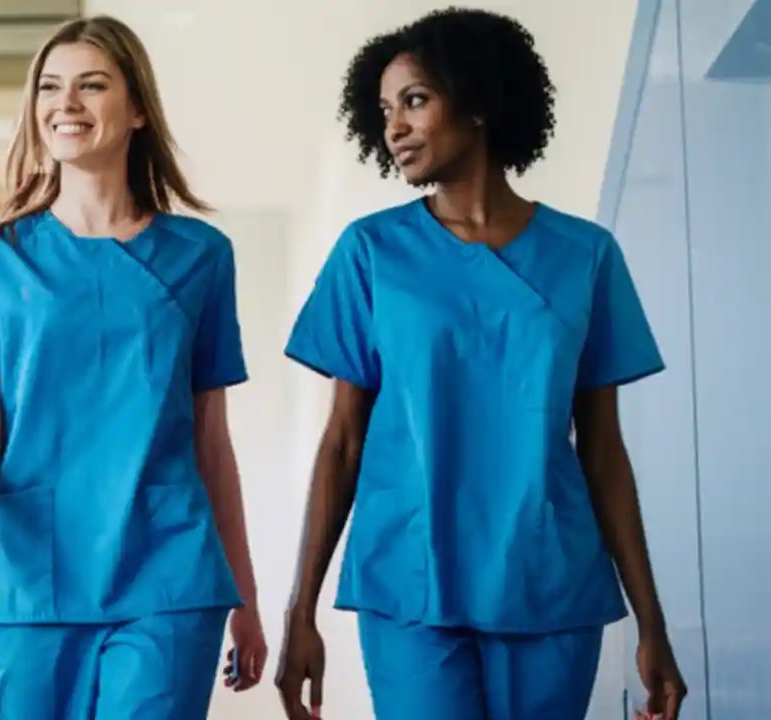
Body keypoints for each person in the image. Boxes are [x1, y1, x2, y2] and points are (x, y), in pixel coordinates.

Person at [274, 8, 687, 720]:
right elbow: (343, 442)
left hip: (546, 573)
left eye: (415, 100)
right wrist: (299, 611)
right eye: (383, 110)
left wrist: (652, 622)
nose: (393, 126)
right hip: (408, 576)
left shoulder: (584, 257)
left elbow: (604, 451)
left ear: (478, 102)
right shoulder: (372, 254)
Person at [0, 14, 267, 719]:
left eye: (93, 85)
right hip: (30, 567)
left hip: (167, 566)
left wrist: (243, 592)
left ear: (138, 108)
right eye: (51, 88)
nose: (68, 103)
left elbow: (212, 441)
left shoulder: (200, 257)